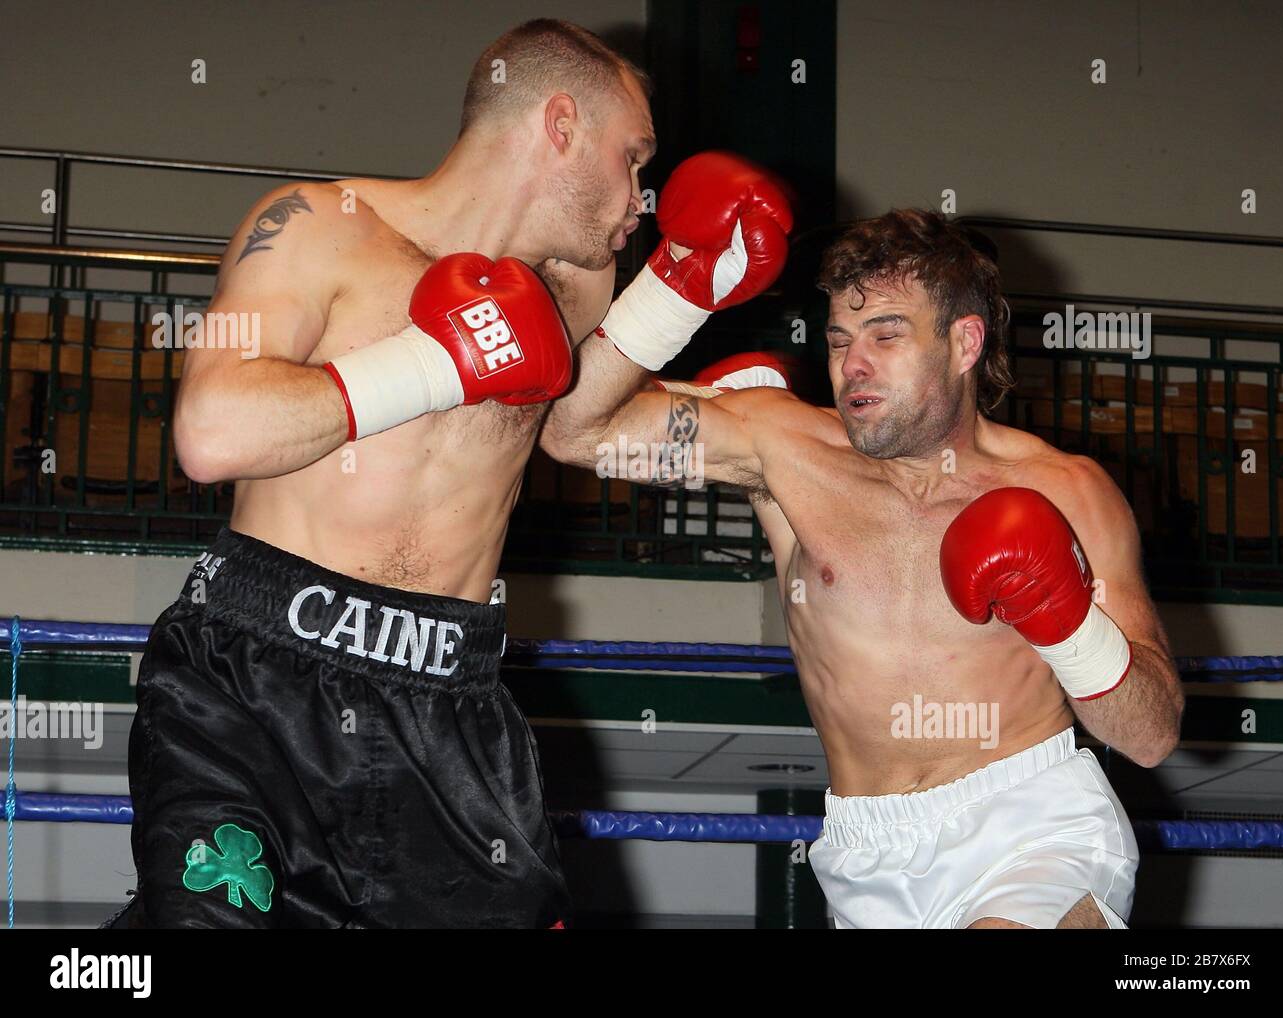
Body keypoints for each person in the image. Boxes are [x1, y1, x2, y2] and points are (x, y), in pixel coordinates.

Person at [106, 18, 791, 928]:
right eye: (633, 159)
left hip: (450, 702)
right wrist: (435, 363)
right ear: (559, 125)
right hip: (255, 679)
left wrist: (682, 296)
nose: (643, 197)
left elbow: (579, 432)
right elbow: (211, 430)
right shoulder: (320, 227)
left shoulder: (579, 288)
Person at [544, 208, 1183, 929]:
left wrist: (1069, 628)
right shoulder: (784, 443)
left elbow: (1152, 735)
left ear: (965, 342)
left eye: (886, 335)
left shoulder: (1067, 492)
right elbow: (574, 432)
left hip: (1030, 828)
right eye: (840, 340)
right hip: (863, 854)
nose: (854, 365)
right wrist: (676, 286)